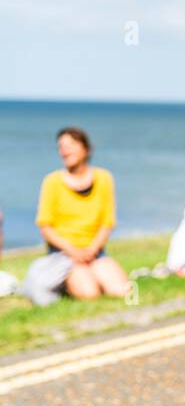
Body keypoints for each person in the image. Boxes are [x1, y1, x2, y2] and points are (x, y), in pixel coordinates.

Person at [34, 127, 129, 300]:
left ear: (86, 149)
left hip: (96, 252)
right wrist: (74, 252)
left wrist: (92, 250)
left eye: (70, 144)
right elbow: (45, 227)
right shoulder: (52, 181)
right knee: (90, 293)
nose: (65, 149)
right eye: (61, 146)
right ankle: (67, 285)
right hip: (64, 255)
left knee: (126, 292)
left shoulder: (104, 178)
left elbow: (107, 222)